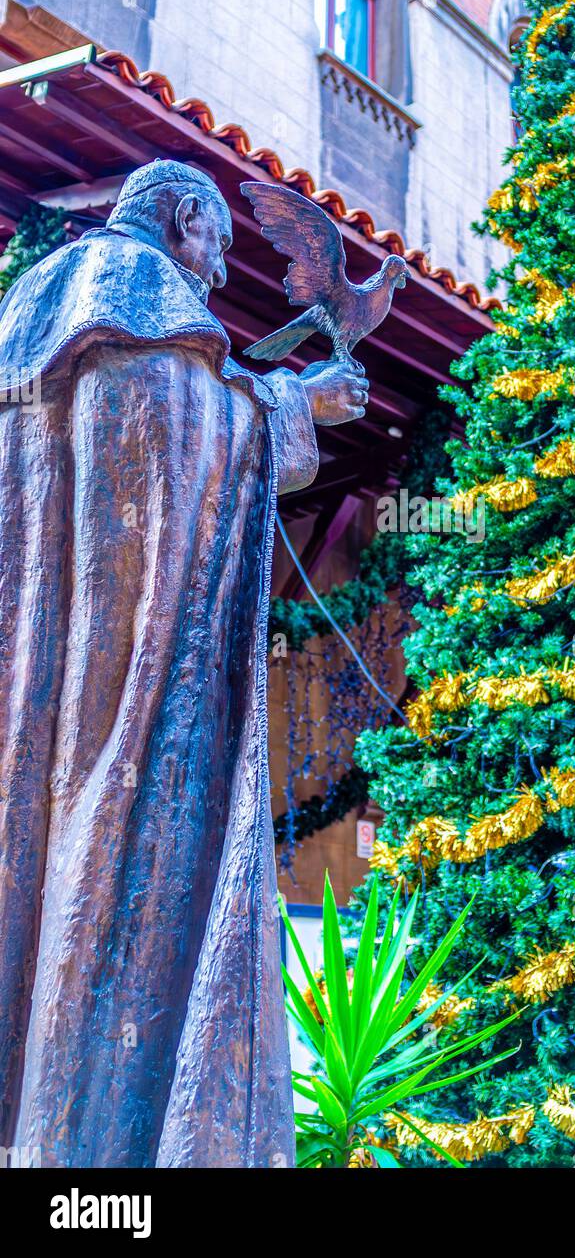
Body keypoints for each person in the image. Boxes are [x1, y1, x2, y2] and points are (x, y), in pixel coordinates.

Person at [0, 160, 368, 1167]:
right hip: (128, 688)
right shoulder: (129, 301)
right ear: (176, 215)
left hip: (40, 673)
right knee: (129, 886)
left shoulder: (46, 307)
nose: (214, 273)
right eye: (213, 241)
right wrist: (298, 405)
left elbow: (181, 395)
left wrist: (270, 392)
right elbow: (171, 444)